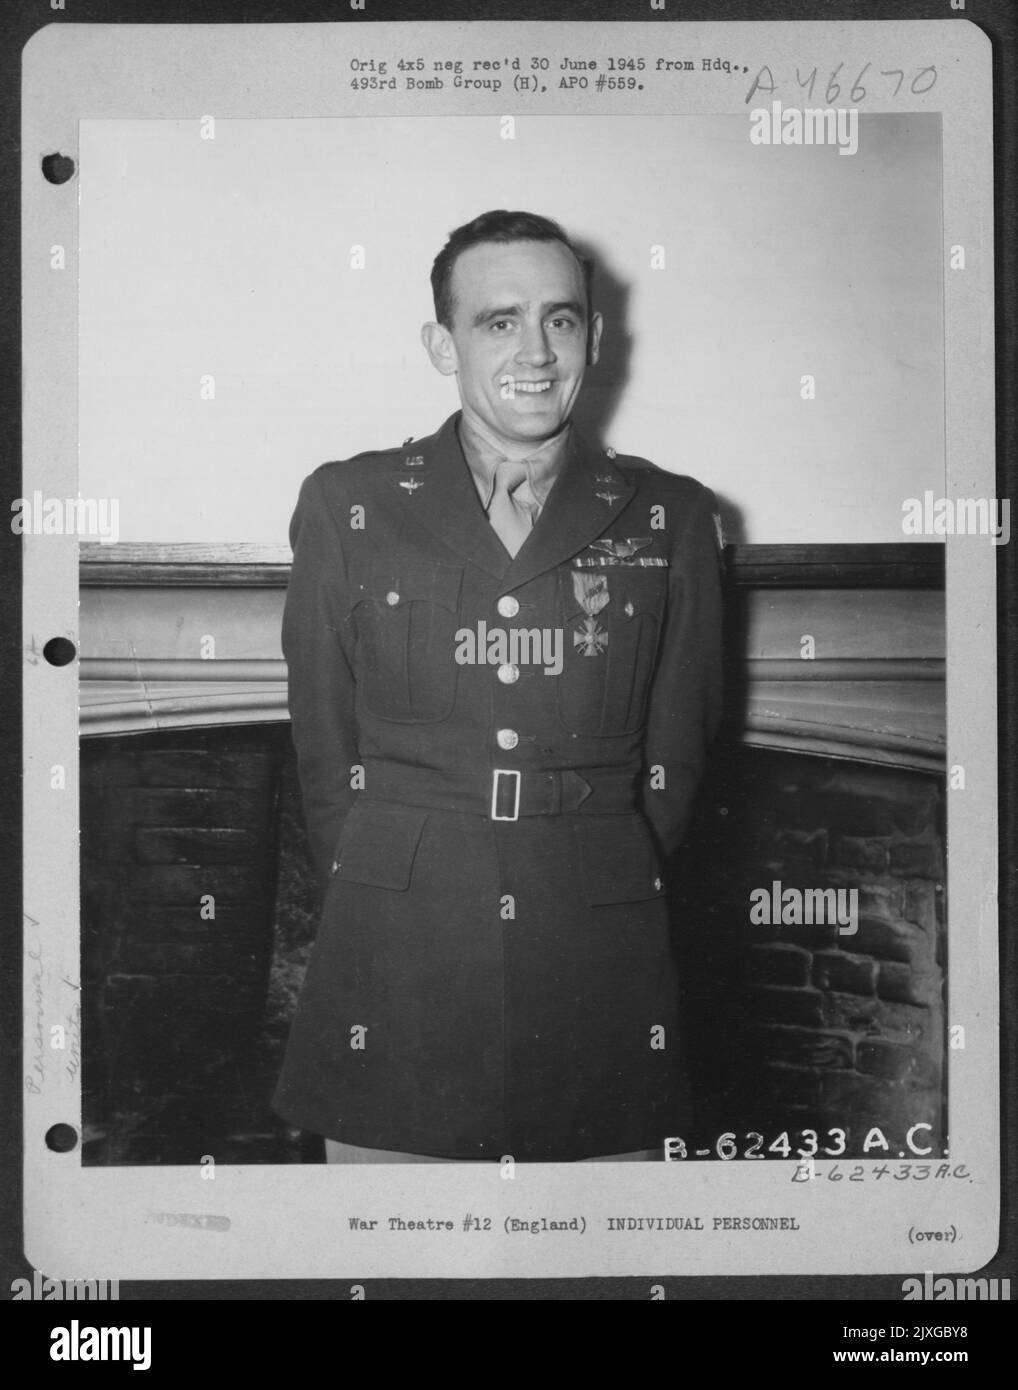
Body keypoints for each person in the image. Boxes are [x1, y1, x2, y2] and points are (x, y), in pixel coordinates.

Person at [272, 210, 723, 1163]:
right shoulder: (348, 506)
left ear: (594, 339)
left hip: (598, 953)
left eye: (561, 320)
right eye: (498, 321)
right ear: (443, 345)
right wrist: (376, 884)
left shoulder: (671, 515)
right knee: (388, 1249)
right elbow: (324, 748)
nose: (536, 350)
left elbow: (679, 758)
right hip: (398, 945)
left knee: (601, 1254)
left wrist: (608, 880)